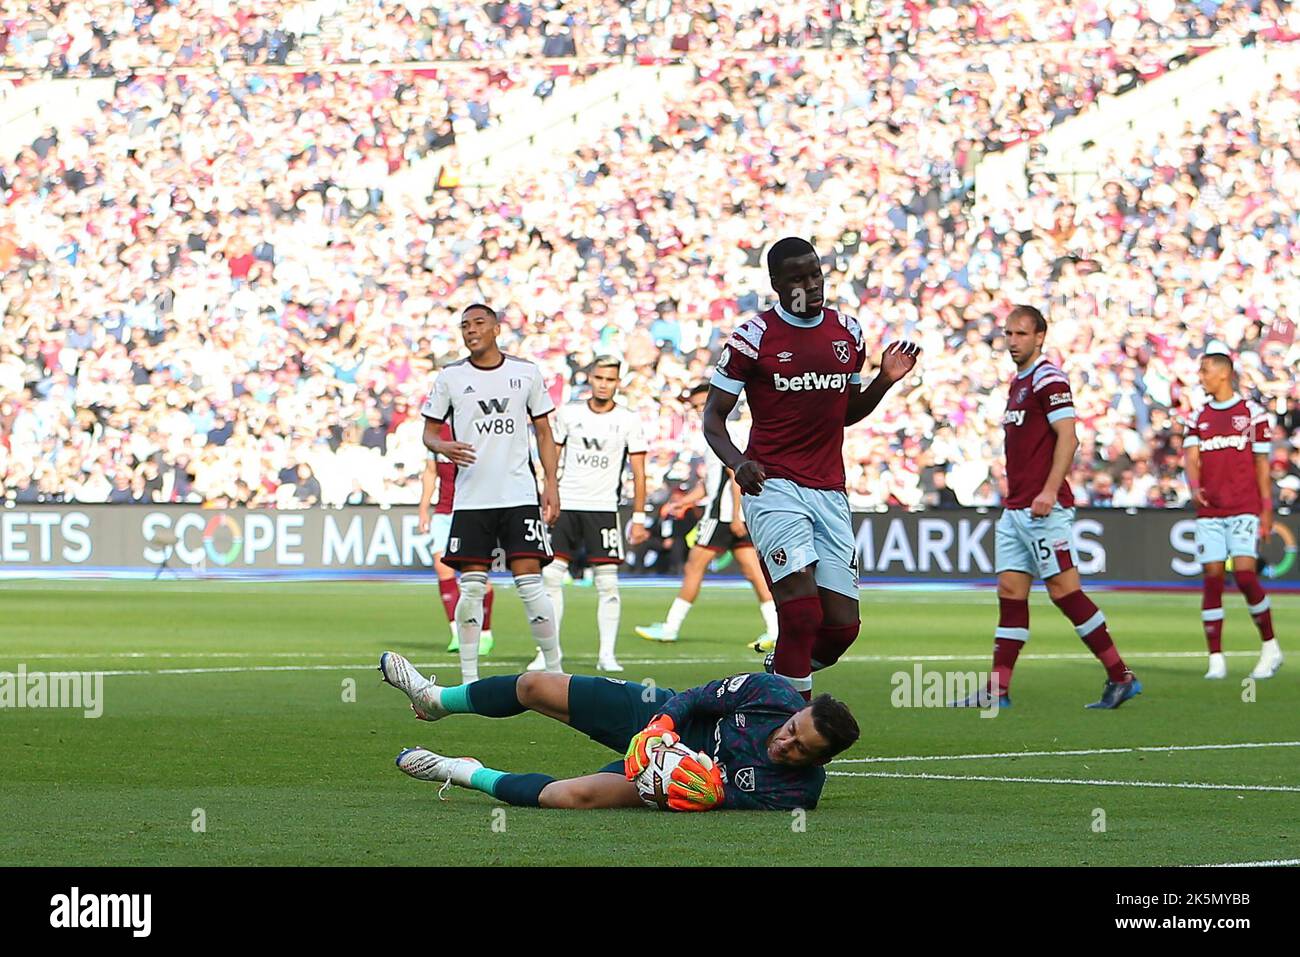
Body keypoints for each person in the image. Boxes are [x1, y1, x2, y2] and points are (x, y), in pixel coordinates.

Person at [704, 236, 920, 698]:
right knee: (800, 615)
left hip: (829, 489)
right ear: (776, 284)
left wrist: (884, 380)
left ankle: (778, 672)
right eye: (798, 278)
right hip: (774, 485)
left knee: (841, 628)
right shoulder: (752, 337)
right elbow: (713, 417)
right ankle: (788, 733)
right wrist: (738, 463)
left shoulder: (848, 333)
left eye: (815, 274)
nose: (811, 285)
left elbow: (845, 413)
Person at [377, 650, 859, 811]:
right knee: (533, 686)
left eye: (799, 749)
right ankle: (435, 701)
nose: (785, 742)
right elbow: (697, 696)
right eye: (792, 729)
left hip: (673, 777)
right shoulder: (774, 692)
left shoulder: (797, 793)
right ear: (797, 711)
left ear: (819, 762)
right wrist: (660, 726)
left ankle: (462, 772)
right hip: (665, 719)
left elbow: (721, 799)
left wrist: (696, 787)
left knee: (563, 798)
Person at [953, 304, 1141, 710]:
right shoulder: (1018, 382)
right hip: (1016, 507)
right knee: (1010, 591)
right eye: (1008, 334)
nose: (1013, 341)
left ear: (1040, 336)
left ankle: (1120, 675)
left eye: (1021, 334)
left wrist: (1049, 491)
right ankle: (997, 689)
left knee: (1064, 591)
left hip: (1043, 507)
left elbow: (1068, 438)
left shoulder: (1047, 377)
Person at [420, 303, 562, 682]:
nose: (470, 330)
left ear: (496, 329)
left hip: (518, 494)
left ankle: (555, 671)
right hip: (472, 499)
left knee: (530, 583)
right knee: (471, 587)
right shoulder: (450, 377)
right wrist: (442, 447)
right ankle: (468, 678)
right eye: (464, 325)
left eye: (478, 323)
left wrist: (551, 484)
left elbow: (545, 432)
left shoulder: (525, 372)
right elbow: (429, 433)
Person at [636, 385, 780, 650]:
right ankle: (775, 630)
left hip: (722, 516)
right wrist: (684, 501)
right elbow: (709, 483)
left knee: (694, 567)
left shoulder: (725, 434)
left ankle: (670, 627)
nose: (698, 410)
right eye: (695, 406)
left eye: (702, 404)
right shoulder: (716, 435)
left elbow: (735, 476)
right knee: (753, 572)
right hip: (734, 515)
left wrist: (735, 514)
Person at [542, 355, 649, 673]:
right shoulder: (569, 414)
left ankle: (606, 655)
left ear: (618, 382)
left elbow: (639, 473)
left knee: (608, 583)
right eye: (599, 378)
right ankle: (548, 653)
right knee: (550, 577)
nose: (604, 384)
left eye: (610, 379)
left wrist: (640, 517)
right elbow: (552, 459)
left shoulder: (629, 419)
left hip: (603, 508)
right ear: (590, 378)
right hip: (567, 504)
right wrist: (548, 495)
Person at [1183, 341, 1282, 680]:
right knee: (1211, 577)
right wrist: (1194, 489)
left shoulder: (1252, 414)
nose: (1201, 377)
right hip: (1210, 511)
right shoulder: (1197, 416)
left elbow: (1261, 464)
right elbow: (1191, 458)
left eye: (1205, 371)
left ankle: (1270, 646)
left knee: (1243, 574)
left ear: (1224, 373)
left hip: (1243, 507)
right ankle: (1216, 660)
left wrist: (1266, 509)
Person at [417, 427, 495, 656]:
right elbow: (430, 472)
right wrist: (423, 508)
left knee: (476, 577)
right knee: (442, 567)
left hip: (473, 511)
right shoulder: (435, 432)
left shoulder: (475, 427)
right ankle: (456, 632)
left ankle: (485, 633)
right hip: (444, 512)